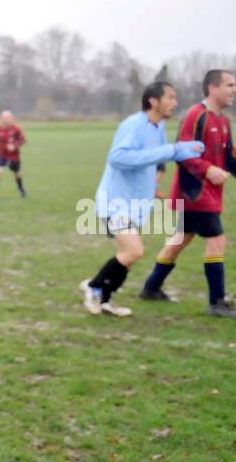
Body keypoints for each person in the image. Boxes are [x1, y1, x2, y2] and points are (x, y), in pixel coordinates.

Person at [138, 69, 236, 318]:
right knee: (216, 241)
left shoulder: (223, 121)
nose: (235, 90)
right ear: (212, 88)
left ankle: (151, 288)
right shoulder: (197, 115)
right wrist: (207, 169)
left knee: (178, 242)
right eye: (229, 84)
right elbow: (182, 153)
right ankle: (217, 302)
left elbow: (232, 158)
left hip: (203, 195)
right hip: (194, 194)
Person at [80, 81, 203, 317]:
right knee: (133, 251)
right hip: (115, 202)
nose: (174, 103)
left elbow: (150, 162)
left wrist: (153, 188)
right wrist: (171, 150)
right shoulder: (134, 124)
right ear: (153, 101)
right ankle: (94, 286)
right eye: (170, 97)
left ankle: (103, 298)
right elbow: (118, 158)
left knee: (128, 255)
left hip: (134, 204)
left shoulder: (158, 128)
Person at [0, 110, 26, 199]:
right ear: (1, 119)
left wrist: (15, 146)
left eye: (9, 117)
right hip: (2, 156)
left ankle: (21, 190)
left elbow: (23, 140)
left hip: (14, 156)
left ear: (12, 118)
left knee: (17, 174)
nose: (7, 119)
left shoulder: (16, 129)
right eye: (5, 118)